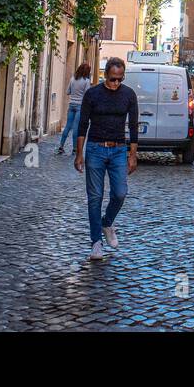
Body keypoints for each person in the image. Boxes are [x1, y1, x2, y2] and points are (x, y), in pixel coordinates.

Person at [74, 57, 139, 261]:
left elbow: (134, 126)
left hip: (119, 150)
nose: (116, 83)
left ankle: (107, 222)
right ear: (105, 75)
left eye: (120, 79)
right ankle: (96, 243)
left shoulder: (129, 94)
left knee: (120, 193)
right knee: (95, 198)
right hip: (95, 149)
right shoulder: (92, 94)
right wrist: (79, 154)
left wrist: (133, 155)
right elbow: (82, 125)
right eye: (112, 79)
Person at [56, 62, 91, 154]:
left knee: (67, 126)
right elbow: (87, 95)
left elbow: (68, 91)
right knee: (76, 128)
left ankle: (61, 146)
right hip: (80, 106)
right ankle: (75, 149)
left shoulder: (72, 79)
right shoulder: (86, 81)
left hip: (71, 104)